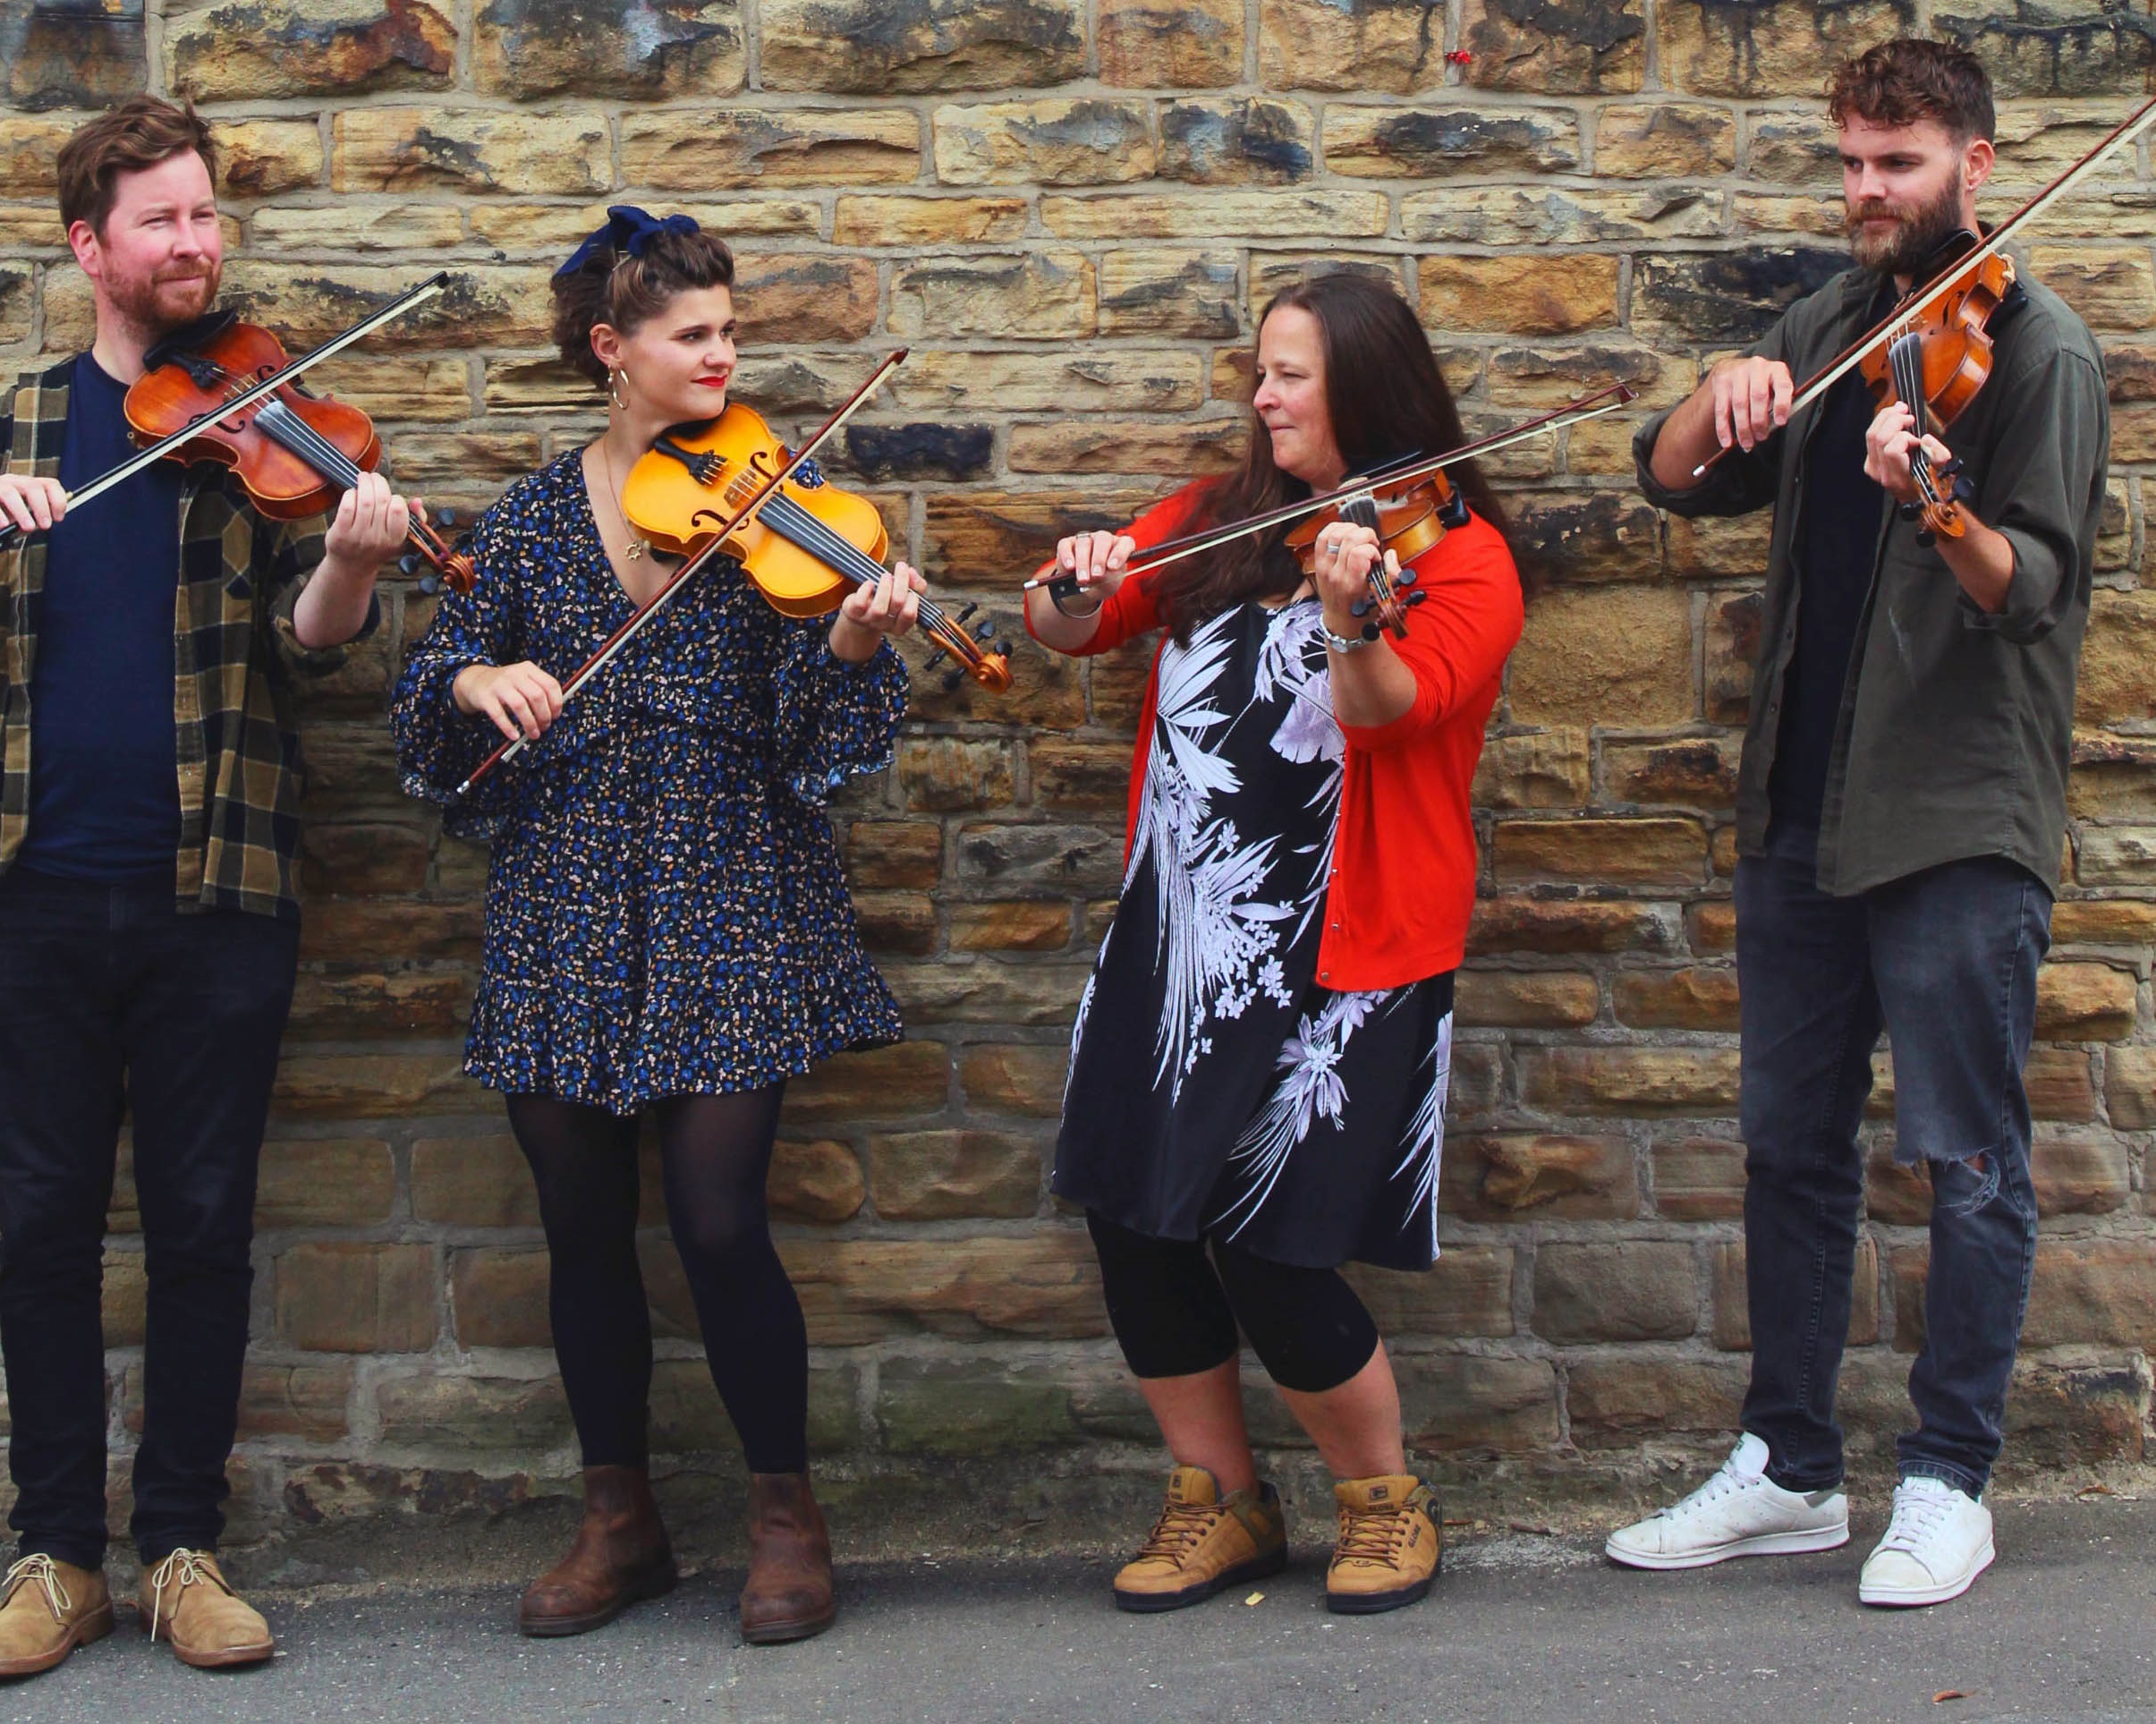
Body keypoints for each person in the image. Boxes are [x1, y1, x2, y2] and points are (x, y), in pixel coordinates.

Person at [0, 96, 415, 1679]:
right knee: (41, 1232)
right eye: (162, 220)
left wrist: (354, 559)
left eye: (206, 216)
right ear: (89, 247)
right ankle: (57, 1560)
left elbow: (315, 644)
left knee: (202, 1227)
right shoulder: (26, 419)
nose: (195, 244)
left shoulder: (270, 422)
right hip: (34, 890)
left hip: (216, 885)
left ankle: (182, 1548)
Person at [1611, 39, 2108, 1608]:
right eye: (1851, 162)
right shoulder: (1830, 325)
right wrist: (1716, 395)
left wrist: (1934, 502)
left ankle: (1950, 1480)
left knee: (1967, 1158)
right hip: (1801, 804)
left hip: (1953, 813)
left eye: (1898, 163)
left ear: (1975, 161)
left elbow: (2035, 593)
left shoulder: (2040, 352)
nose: (1868, 191)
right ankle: (1789, 1469)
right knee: (1789, 1149)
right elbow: (1673, 479)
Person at [390, 208, 923, 1645]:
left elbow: (815, 743)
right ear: (611, 351)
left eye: (729, 331)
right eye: (694, 335)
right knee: (580, 1231)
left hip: (726, 883)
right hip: (564, 892)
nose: (723, 356)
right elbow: (432, 682)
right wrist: (478, 682)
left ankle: (785, 1518)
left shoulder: (779, 506)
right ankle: (617, 1523)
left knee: (717, 1221)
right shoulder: (527, 518)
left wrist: (852, 637)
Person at [1025, 271, 1524, 1617]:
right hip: (1177, 937)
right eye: (1262, 372)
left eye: (1289, 375)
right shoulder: (1215, 520)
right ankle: (1221, 1503)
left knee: (1275, 1243)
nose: (1262, 397)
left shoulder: (1463, 557)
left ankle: (1383, 1502)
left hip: (1344, 958)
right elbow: (1072, 627)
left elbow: (1390, 711)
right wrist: (1071, 582)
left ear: (1364, 386)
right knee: (1134, 1222)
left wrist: (1354, 618)